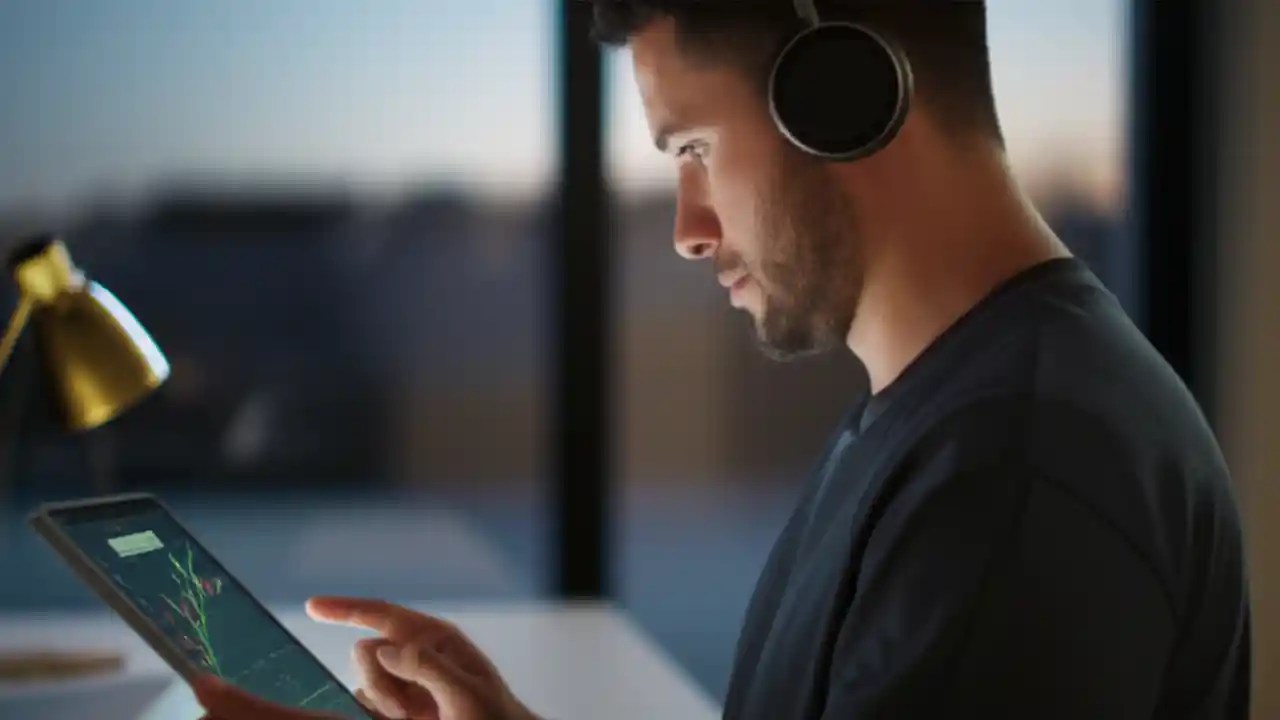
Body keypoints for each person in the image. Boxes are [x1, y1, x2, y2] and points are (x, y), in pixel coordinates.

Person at [196, 1, 1251, 718]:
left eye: (691, 148)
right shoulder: (941, 414)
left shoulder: (1012, 472)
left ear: (838, 95)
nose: (686, 231)